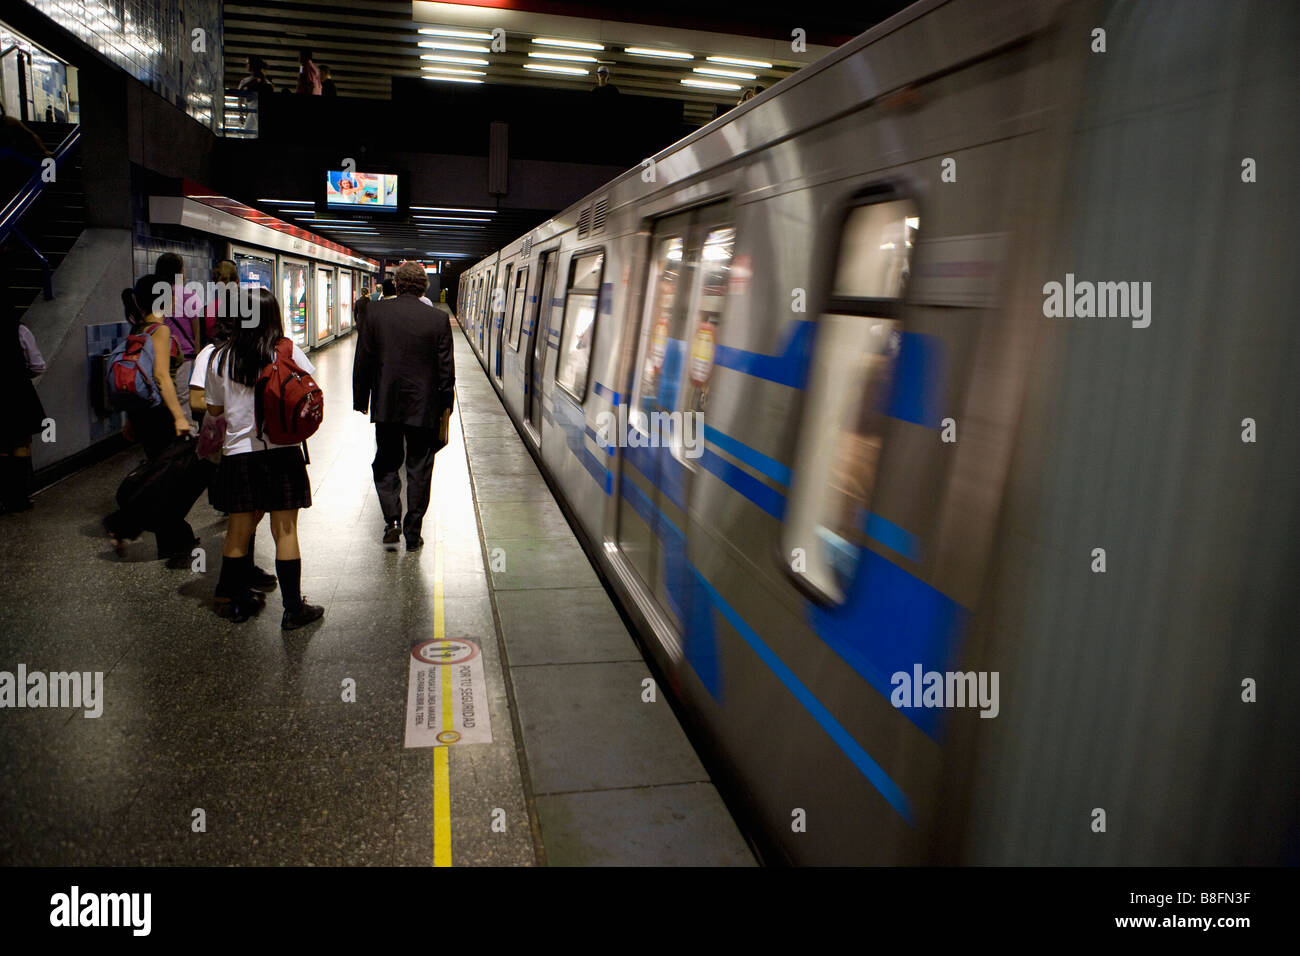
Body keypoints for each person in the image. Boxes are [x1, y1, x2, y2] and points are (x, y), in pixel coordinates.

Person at [204, 288, 323, 629]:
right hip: (282, 454)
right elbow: (307, 390)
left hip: (238, 456)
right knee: (284, 530)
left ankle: (240, 603)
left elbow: (213, 409)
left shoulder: (219, 357)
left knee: (238, 530)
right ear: (273, 315)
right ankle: (292, 609)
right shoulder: (286, 350)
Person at [353, 261, 455, 551]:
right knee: (419, 467)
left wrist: (361, 399)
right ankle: (413, 531)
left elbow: (364, 359)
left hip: (386, 402)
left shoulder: (375, 313)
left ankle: (392, 521)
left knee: (386, 462)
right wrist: (445, 407)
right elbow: (446, 370)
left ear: (396, 285)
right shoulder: (437, 319)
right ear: (424, 286)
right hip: (424, 407)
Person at [103, 274, 200, 562]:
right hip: (160, 414)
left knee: (162, 476)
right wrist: (179, 417)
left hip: (142, 413)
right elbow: (159, 376)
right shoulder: (160, 331)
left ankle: (175, 541)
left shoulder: (137, 328)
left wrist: (131, 419)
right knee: (170, 477)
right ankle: (122, 523)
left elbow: (136, 376)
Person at [0, 317, 46, 513]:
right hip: (18, 395)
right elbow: (38, 366)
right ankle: (19, 499)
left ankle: (3, 498)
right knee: (20, 444)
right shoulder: (20, 330)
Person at [155, 253, 200, 428]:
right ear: (179, 272)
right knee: (184, 402)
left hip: (158, 358)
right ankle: (186, 439)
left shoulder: (155, 294)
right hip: (184, 359)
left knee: (163, 401)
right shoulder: (189, 295)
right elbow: (196, 330)